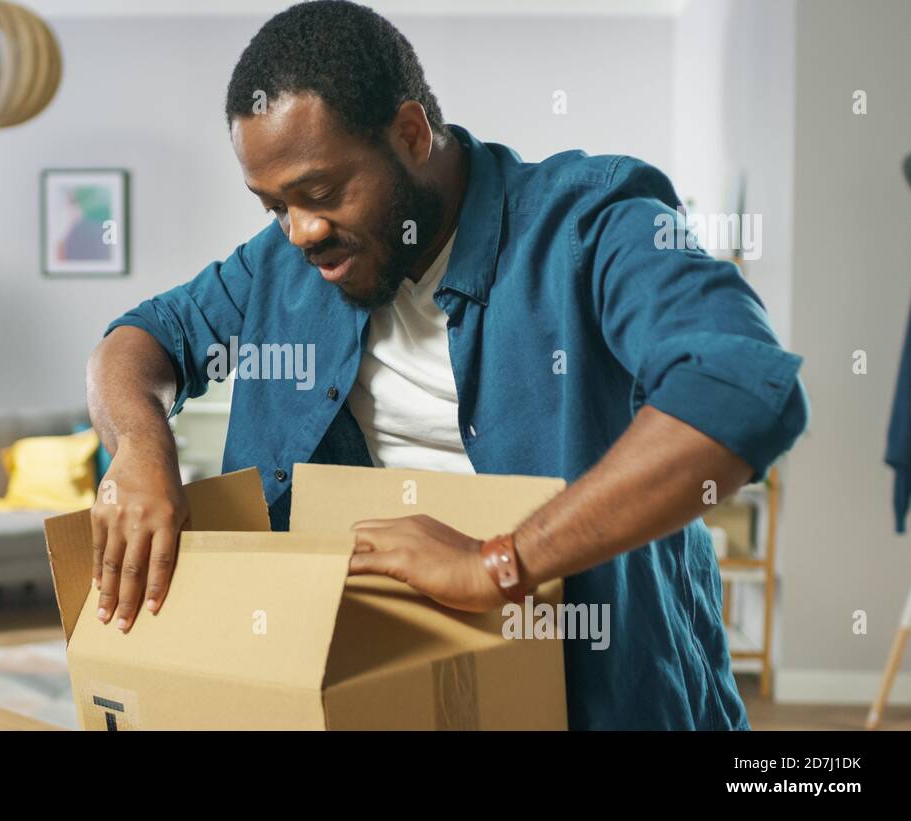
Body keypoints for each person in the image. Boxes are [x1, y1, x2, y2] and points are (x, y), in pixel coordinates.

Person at [84, 0, 808, 729]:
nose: (300, 231)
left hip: (595, 683)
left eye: (321, 193)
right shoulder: (287, 261)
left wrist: (501, 560)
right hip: (372, 676)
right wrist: (141, 449)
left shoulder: (592, 222)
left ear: (410, 134)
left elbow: (741, 388)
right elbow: (138, 341)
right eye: (273, 204)